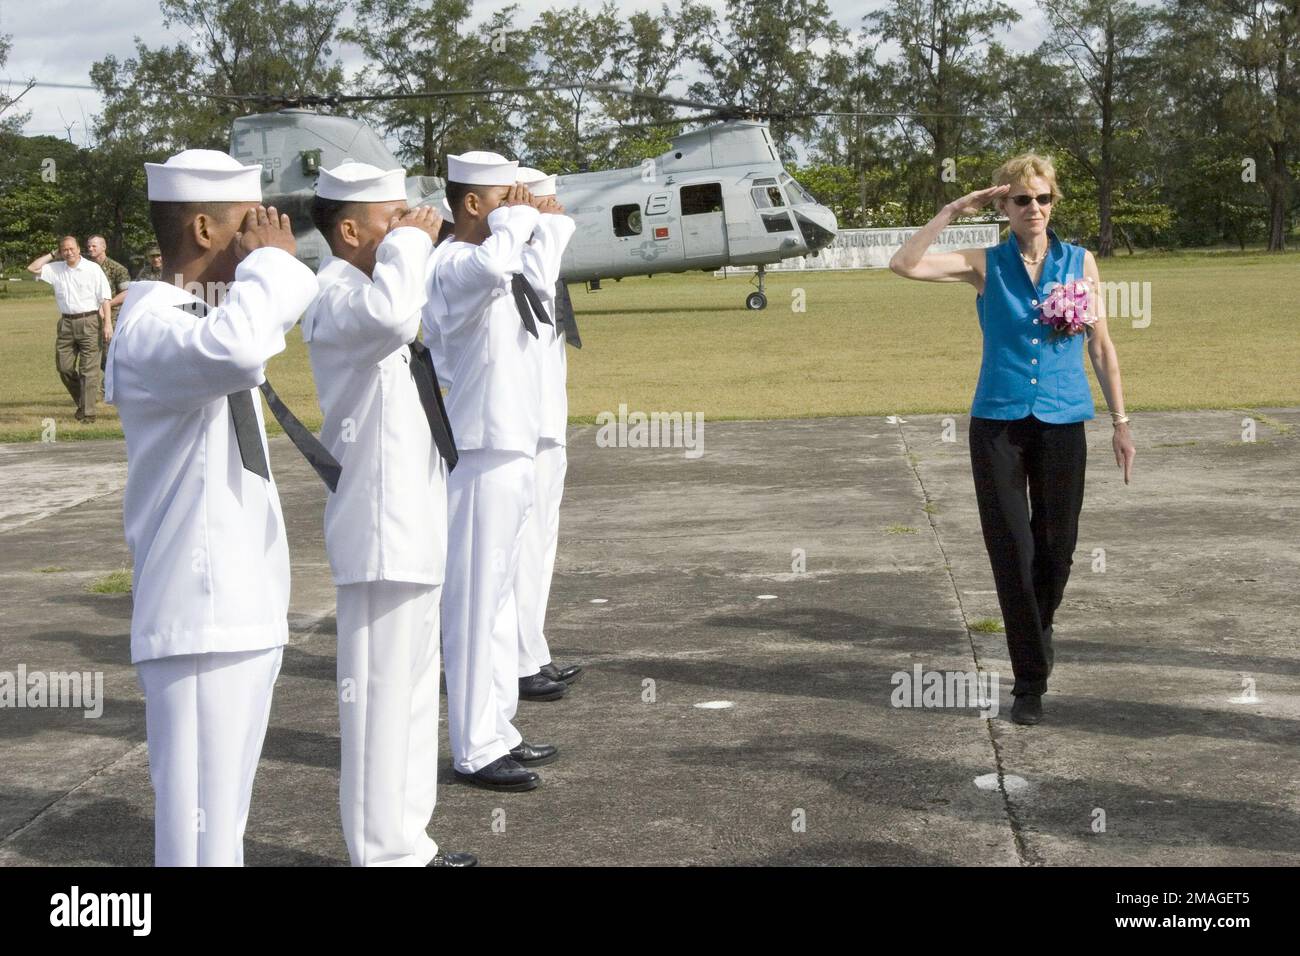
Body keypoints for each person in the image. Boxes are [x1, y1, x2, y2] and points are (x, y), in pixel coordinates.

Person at [105, 148, 319, 865]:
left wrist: (265, 268)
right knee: (197, 844)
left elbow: (244, 340)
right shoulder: (153, 327)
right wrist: (273, 265)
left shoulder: (197, 320)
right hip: (198, 618)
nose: (265, 235)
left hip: (238, 607)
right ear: (203, 228)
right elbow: (239, 350)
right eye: (247, 224)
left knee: (218, 835)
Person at [888, 152, 1136, 726]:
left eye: (1043, 198)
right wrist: (953, 209)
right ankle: (1029, 681)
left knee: (1058, 547)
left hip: (1063, 419)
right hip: (997, 423)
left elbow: (1101, 347)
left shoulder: (1080, 262)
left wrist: (1121, 423)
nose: (1034, 208)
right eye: (1022, 199)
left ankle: (1037, 629)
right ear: (1003, 205)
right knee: (1012, 550)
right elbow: (903, 264)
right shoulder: (984, 264)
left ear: (1054, 203)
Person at [303, 160, 473, 867]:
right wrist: (410, 245)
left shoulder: (377, 283)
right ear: (349, 230)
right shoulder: (338, 292)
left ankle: (407, 845)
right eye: (391, 217)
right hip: (378, 529)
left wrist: (404, 246)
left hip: (412, 520)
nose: (411, 227)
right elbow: (393, 318)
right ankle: (380, 855)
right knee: (375, 703)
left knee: (406, 701)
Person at [423, 151, 557, 792]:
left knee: (501, 598)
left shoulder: (494, 261)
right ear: (472, 205)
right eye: (505, 196)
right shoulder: (453, 263)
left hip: (513, 446)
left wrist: (539, 221)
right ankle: (474, 745)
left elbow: (542, 274)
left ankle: (499, 726)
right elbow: (496, 261)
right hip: (478, 452)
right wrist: (517, 222)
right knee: (475, 604)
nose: (520, 204)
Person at [511, 167, 583, 703]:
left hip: (546, 427)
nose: (559, 214)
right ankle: (514, 660)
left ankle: (531, 649)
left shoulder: (541, 263)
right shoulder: (509, 272)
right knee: (518, 549)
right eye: (547, 205)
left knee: (540, 546)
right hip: (520, 429)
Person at [26, 236, 112, 423]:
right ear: (60, 252)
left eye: (71, 248)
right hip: (66, 323)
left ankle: (88, 415)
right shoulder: (56, 269)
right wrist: (51, 255)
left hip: (90, 321)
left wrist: (107, 325)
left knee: (89, 370)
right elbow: (32, 268)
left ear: (79, 249)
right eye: (64, 250)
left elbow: (105, 297)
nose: (68, 252)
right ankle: (83, 402)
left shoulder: (92, 269)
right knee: (64, 368)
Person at [87, 235, 132, 398]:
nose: (90, 249)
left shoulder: (117, 268)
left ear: (103, 247)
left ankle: (109, 388)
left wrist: (107, 305)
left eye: (94, 246)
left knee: (108, 354)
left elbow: (126, 293)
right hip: (88, 317)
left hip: (111, 317)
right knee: (92, 354)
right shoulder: (85, 268)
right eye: (89, 246)